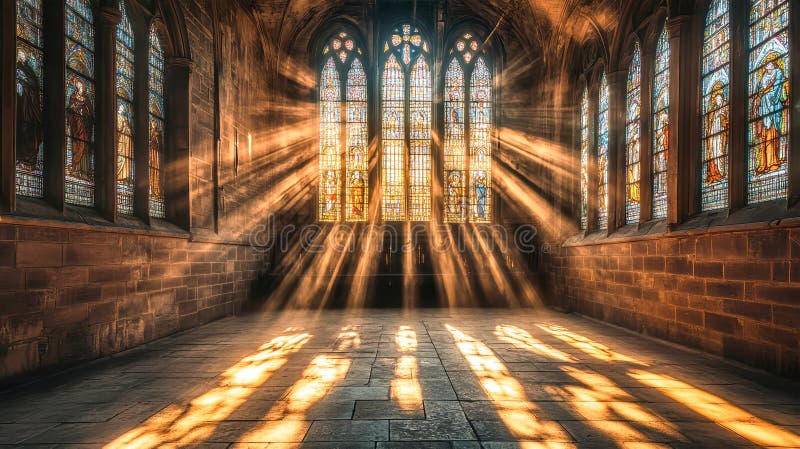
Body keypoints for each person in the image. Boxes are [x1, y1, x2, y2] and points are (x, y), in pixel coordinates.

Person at [752, 52, 788, 176]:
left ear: (774, 64)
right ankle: (764, 164)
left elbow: (777, 90)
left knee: (772, 135)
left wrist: (767, 97)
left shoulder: (778, 73)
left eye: (770, 63)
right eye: (767, 63)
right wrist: (759, 100)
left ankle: (773, 163)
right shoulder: (762, 78)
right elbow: (759, 93)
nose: (768, 64)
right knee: (762, 137)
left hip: (773, 109)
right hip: (763, 110)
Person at [16, 48, 43, 167]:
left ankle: (30, 158)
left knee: (31, 127)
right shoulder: (15, 66)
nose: (24, 56)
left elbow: (35, 85)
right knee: (21, 126)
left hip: (30, 104)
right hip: (20, 103)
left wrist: (26, 83)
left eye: (25, 55)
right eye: (21, 54)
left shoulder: (29, 70)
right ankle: (19, 156)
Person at [67, 79, 94, 177]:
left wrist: (86, 115)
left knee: (85, 145)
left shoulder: (86, 98)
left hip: (85, 125)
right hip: (76, 125)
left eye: (80, 84)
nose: (78, 86)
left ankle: (85, 170)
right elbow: (69, 109)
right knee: (77, 144)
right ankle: (76, 167)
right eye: (77, 84)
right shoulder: (73, 96)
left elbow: (91, 113)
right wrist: (75, 107)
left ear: (83, 85)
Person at [705, 84, 728, 184]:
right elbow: (709, 123)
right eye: (717, 99)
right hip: (713, 134)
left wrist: (722, 116)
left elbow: (727, 120)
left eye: (720, 99)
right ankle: (714, 173)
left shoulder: (725, 108)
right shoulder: (713, 111)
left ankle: (721, 173)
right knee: (713, 152)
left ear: (722, 100)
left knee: (720, 152)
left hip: (721, 134)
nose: (718, 101)